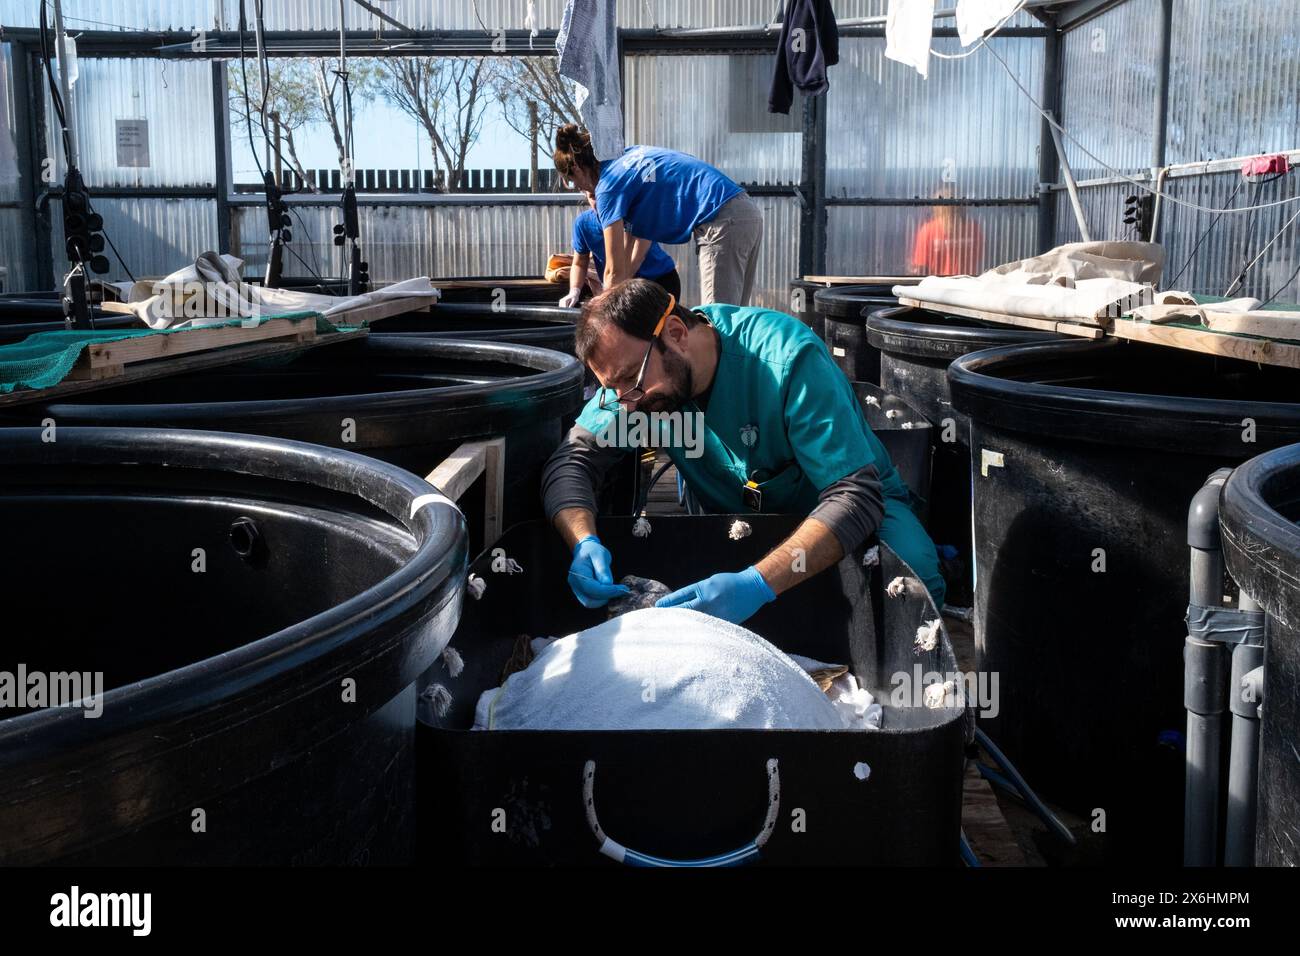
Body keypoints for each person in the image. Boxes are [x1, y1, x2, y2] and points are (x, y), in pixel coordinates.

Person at [541, 279, 946, 625]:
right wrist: (583, 541)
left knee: (914, 580)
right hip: (731, 517)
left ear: (677, 335)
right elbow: (572, 462)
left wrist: (758, 583)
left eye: (631, 380)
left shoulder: (784, 359)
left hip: (839, 511)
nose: (626, 404)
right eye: (613, 390)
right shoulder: (634, 394)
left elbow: (854, 495)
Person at [553, 124, 764, 306]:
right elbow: (625, 260)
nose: (580, 189)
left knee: (720, 323)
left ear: (577, 169)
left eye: (573, 182)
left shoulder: (608, 186)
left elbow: (613, 271)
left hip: (722, 220)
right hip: (744, 210)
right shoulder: (627, 158)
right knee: (736, 318)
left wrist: (602, 309)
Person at [559, 191, 681, 307]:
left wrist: (608, 294)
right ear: (586, 196)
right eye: (593, 196)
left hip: (659, 281)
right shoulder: (583, 224)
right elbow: (579, 263)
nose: (601, 201)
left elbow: (634, 261)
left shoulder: (634, 216)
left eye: (604, 195)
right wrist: (574, 291)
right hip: (620, 286)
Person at [911, 187, 985, 276]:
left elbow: (920, 267)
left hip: (939, 287)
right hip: (966, 284)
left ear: (936, 207)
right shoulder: (974, 229)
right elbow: (979, 258)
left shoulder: (927, 231)